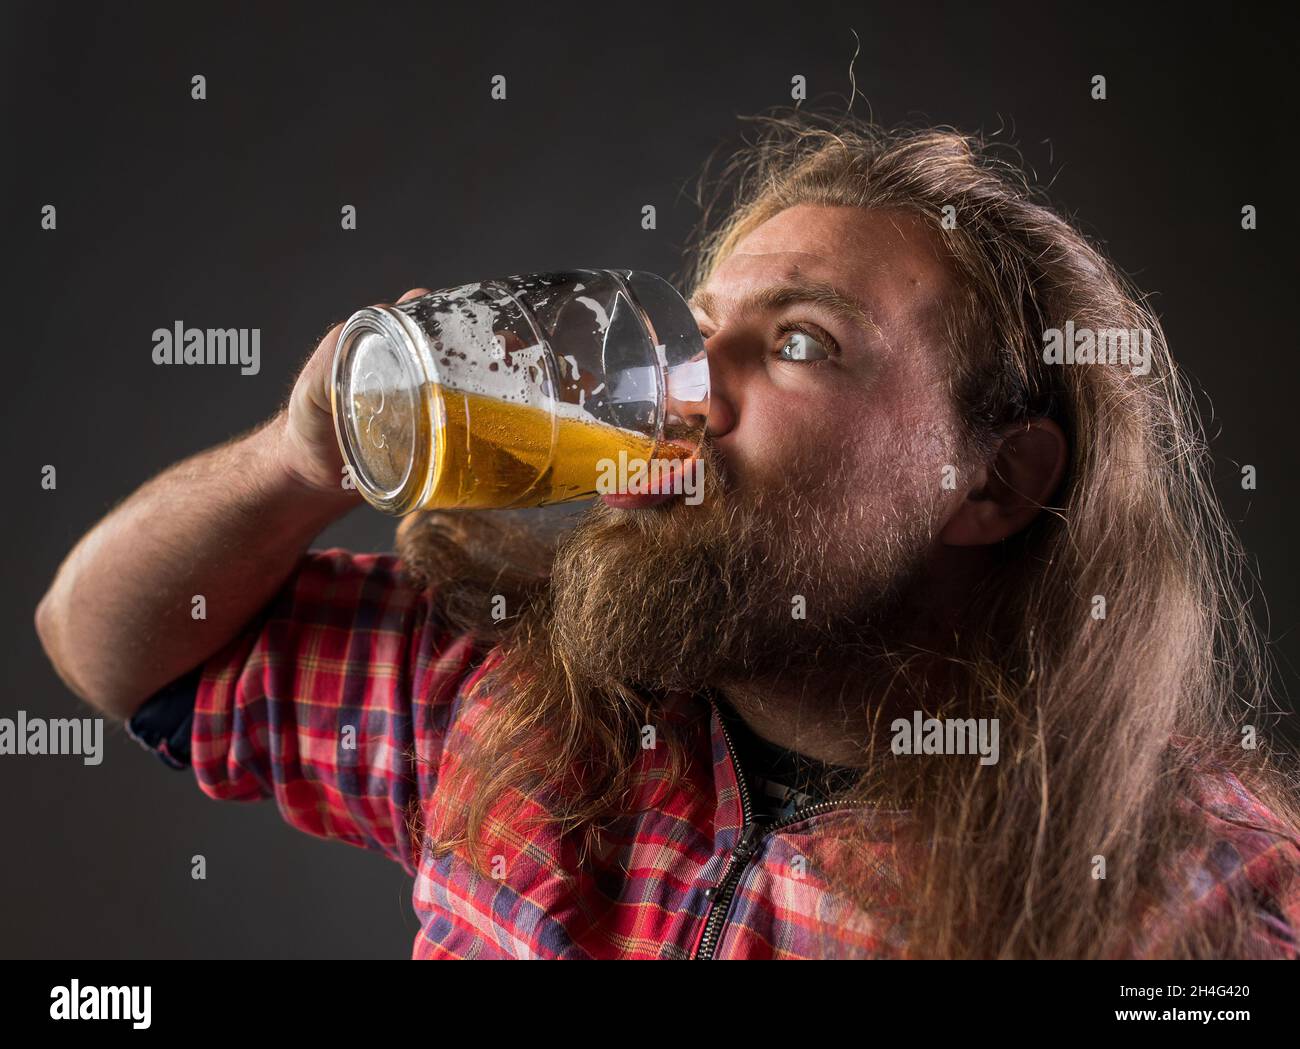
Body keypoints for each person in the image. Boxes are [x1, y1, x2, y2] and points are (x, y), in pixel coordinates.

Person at [35, 109, 1300, 959]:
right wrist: (299, 456)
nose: (684, 391)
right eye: (698, 331)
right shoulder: (498, 692)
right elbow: (119, 648)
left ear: (993, 481)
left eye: (799, 342)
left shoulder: (1196, 902)